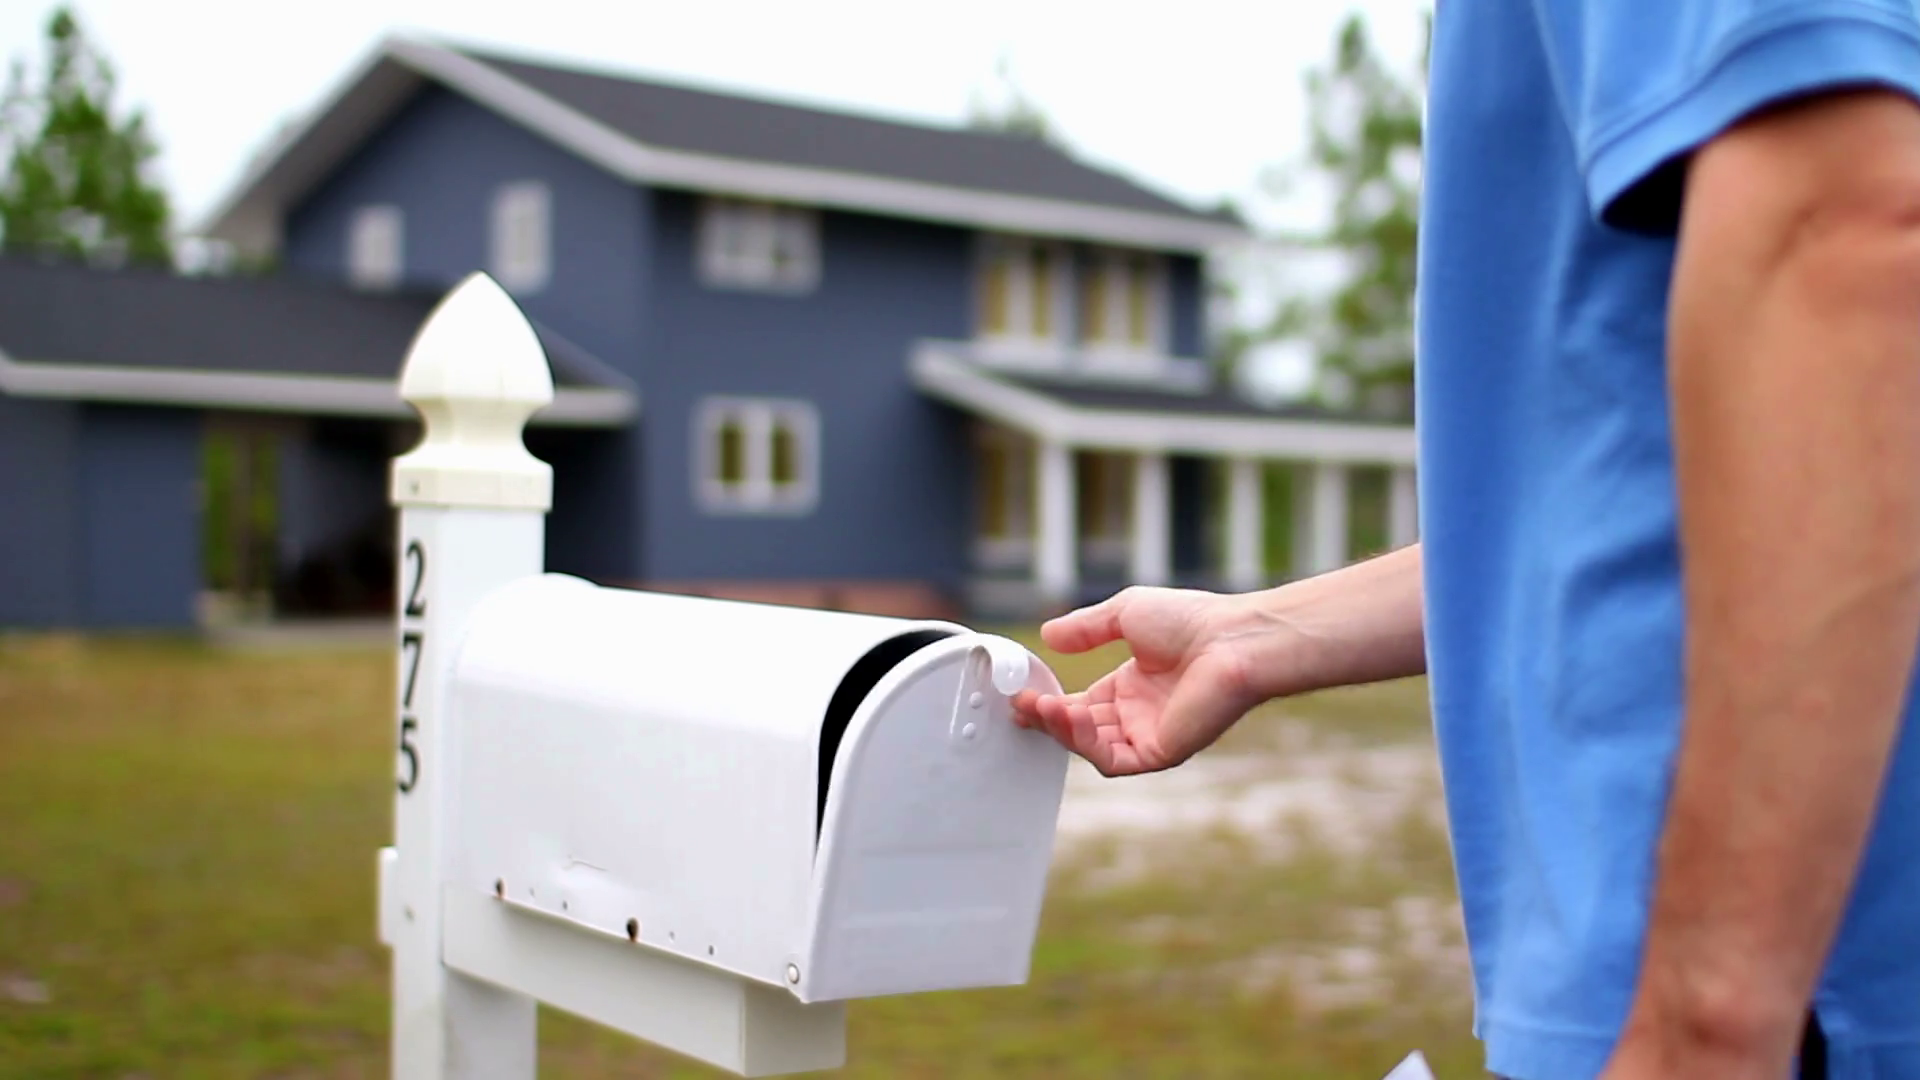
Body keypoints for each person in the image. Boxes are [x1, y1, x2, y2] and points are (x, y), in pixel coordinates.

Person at [1012, 5, 1920, 1079]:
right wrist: (1253, 634)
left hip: (1786, 1001)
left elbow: (1842, 229)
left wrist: (1705, 1024)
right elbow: (1653, 490)